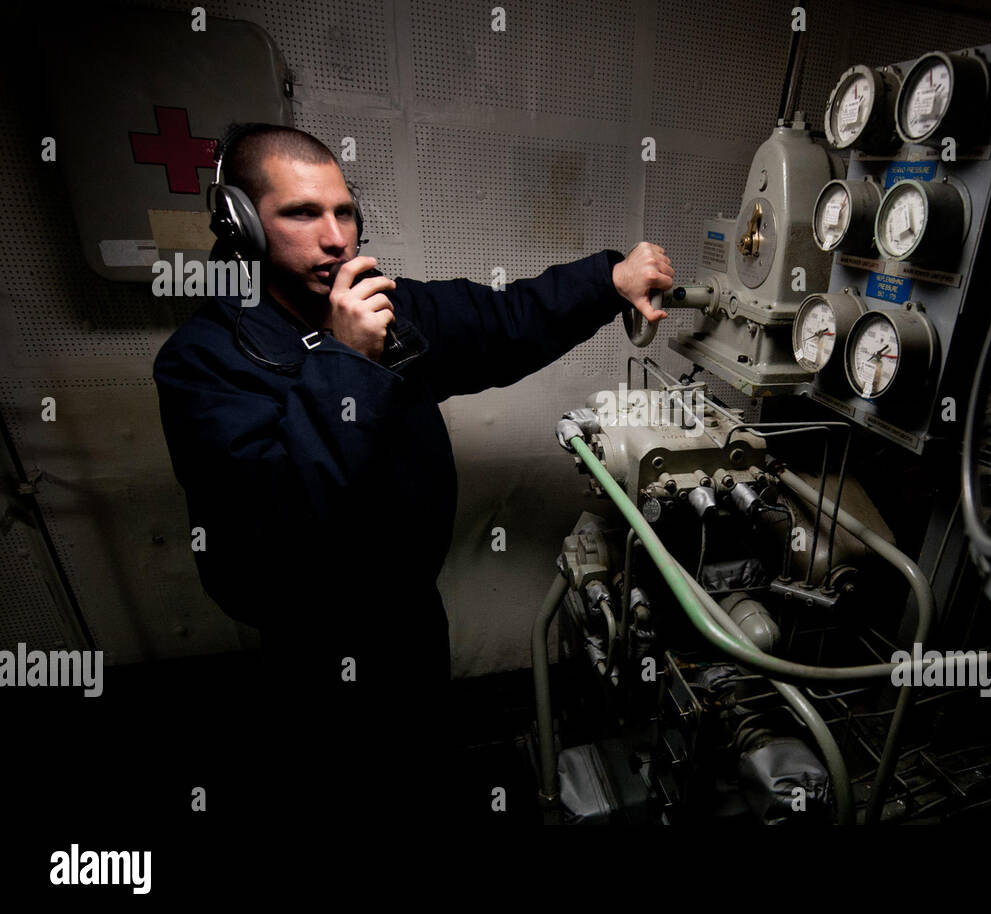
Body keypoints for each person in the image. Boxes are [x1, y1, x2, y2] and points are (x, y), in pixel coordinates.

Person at [152, 124, 673, 822]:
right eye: (302, 214)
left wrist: (608, 279)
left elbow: (500, 321)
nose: (336, 238)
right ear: (241, 225)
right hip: (317, 641)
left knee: (420, 768)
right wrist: (347, 360)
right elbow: (275, 519)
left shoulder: (381, 306)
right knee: (350, 783)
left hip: (409, 616)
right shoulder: (204, 361)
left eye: (344, 212)